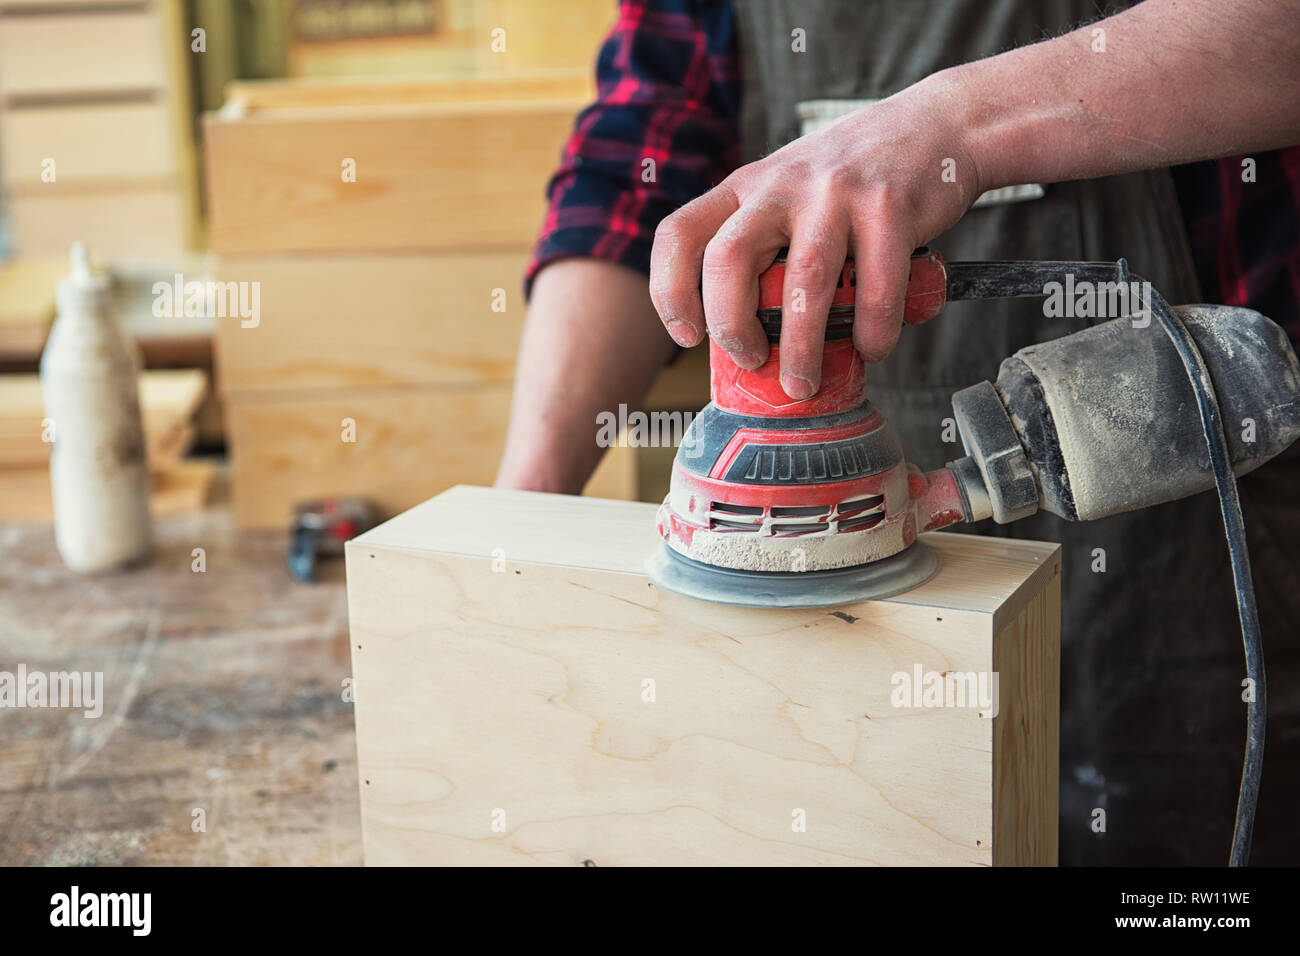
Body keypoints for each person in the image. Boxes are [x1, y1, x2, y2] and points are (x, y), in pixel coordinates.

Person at [496, 0, 1300, 865]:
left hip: (1203, 562)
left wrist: (955, 124)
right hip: (880, 639)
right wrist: (517, 519)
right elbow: (629, 179)